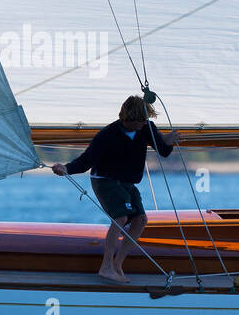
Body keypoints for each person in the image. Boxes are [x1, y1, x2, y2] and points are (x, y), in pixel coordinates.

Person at [51, 95, 178, 283]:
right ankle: (106, 266)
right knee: (120, 217)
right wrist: (67, 168)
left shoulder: (146, 128)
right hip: (105, 180)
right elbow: (86, 160)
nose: (145, 124)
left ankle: (117, 264)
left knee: (141, 220)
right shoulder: (107, 135)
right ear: (129, 119)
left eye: (146, 120)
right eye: (141, 120)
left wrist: (169, 141)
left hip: (126, 182)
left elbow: (163, 151)